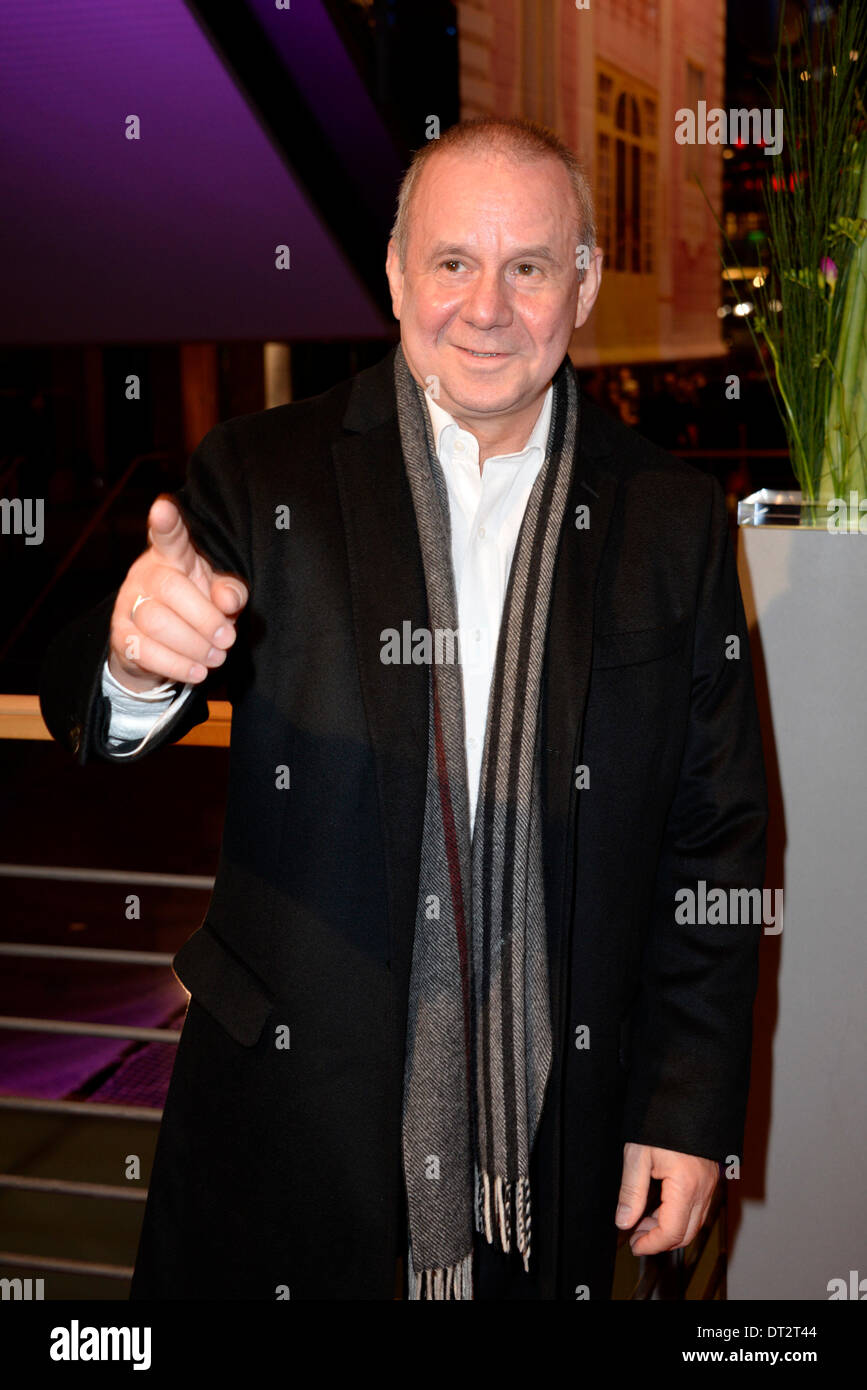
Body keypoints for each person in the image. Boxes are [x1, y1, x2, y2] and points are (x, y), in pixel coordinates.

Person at [39, 116, 768, 1301]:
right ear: (393, 276)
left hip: (552, 1128)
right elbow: (88, 694)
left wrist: (686, 1107)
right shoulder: (265, 471)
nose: (487, 306)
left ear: (580, 286)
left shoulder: (671, 522)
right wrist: (136, 660)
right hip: (284, 1108)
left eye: (529, 266)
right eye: (451, 263)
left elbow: (715, 838)